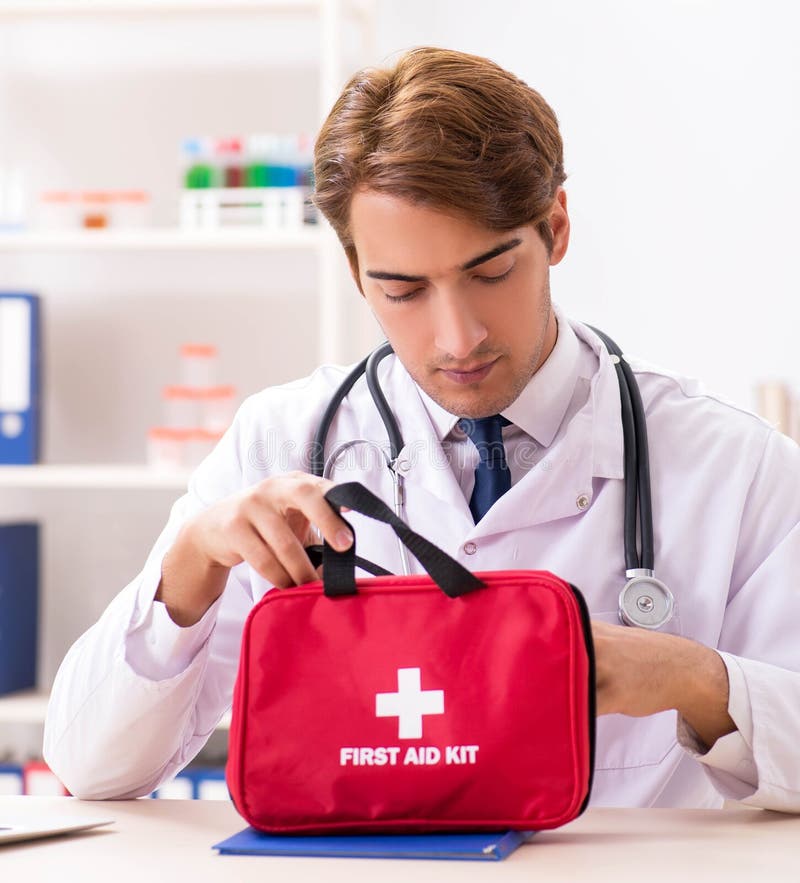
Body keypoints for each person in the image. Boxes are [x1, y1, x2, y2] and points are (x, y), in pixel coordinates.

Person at [45, 47, 800, 811]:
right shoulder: (278, 441)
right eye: (402, 289)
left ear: (556, 228)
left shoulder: (736, 467)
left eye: (491, 272)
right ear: (353, 269)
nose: (457, 337)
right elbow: (91, 767)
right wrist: (190, 567)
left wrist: (696, 680)